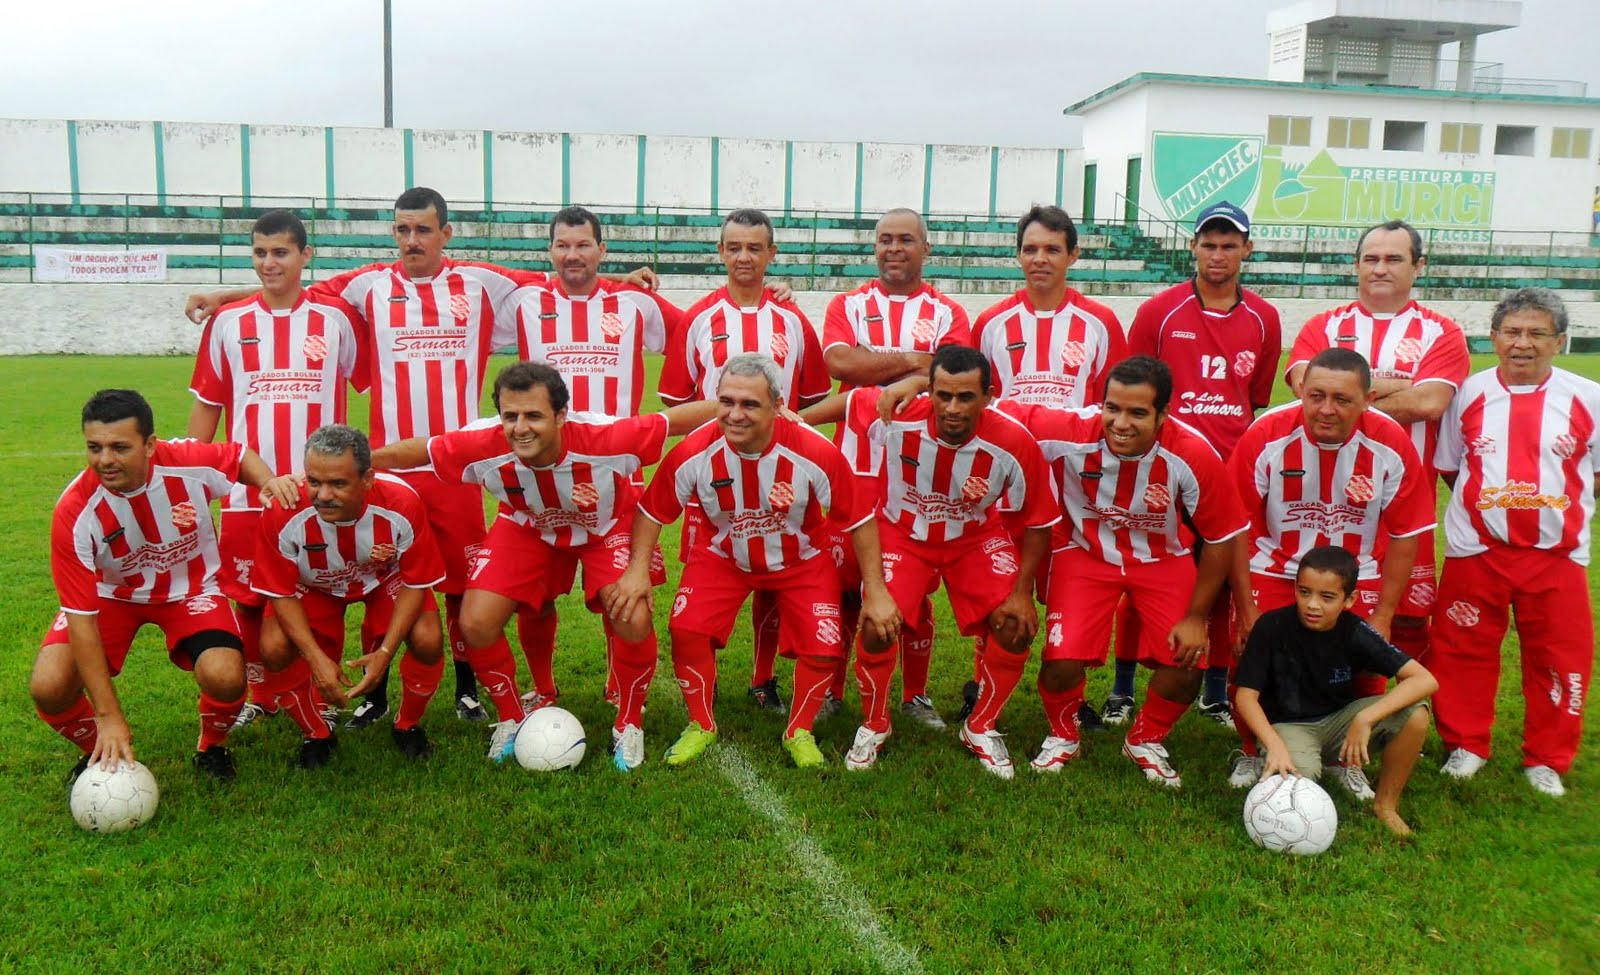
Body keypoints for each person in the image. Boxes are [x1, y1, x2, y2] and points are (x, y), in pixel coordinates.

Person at [186, 188, 654, 742]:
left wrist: (626, 282)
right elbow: (290, 283)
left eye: (424, 230)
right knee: (373, 572)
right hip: (383, 469)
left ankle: (465, 689)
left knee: (461, 584)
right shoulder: (367, 286)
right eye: (403, 230)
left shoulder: (483, 283)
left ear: (445, 234)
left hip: (456, 465)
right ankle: (372, 695)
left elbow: (569, 281)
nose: (413, 240)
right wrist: (228, 294)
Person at [372, 362, 718, 771]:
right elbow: (418, 450)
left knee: (631, 615)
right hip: (528, 524)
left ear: (560, 415)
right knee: (476, 621)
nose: (521, 428)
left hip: (605, 524)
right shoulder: (482, 443)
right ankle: (511, 716)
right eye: (510, 416)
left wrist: (752, 407)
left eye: (534, 415)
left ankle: (629, 721)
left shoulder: (606, 438)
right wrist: (356, 460)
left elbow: (676, 419)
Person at [608, 353, 901, 768]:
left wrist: (876, 589)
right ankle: (701, 724)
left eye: (750, 404)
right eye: (726, 402)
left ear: (778, 406)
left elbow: (859, 520)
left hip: (802, 558)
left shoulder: (815, 451)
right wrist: (637, 570)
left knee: (824, 647)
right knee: (686, 628)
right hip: (724, 556)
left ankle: (798, 730)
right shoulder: (695, 449)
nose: (735, 415)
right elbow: (652, 511)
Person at [30, 389, 298, 783]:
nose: (105, 460)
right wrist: (108, 715)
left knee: (225, 676)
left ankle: (211, 747)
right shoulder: (74, 511)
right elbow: (82, 619)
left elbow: (239, 457)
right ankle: (99, 753)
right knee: (49, 685)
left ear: (150, 445)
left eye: (119, 447)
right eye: (95, 447)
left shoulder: (187, 462)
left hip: (191, 591)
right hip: (113, 596)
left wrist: (269, 483)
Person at [1006, 356, 1250, 786]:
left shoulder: (1191, 452)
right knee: (1060, 662)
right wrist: (911, 385)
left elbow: (1223, 536)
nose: (1120, 423)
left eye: (1138, 413)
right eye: (1112, 408)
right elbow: (979, 407)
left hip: (1163, 559)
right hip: (1084, 553)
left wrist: (1196, 617)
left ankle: (1145, 738)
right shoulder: (1062, 431)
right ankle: (1064, 734)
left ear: (1162, 416)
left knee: (1187, 661)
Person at [835, 344, 1060, 778]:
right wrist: (792, 421)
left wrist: (1022, 593)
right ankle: (875, 722)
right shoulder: (897, 413)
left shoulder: (1014, 440)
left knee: (1015, 626)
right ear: (930, 392)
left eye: (965, 397)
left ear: (989, 396)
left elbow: (1038, 521)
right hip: (903, 534)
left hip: (973, 539)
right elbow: (846, 402)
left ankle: (981, 725)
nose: (952, 408)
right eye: (943, 396)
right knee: (877, 622)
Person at [498, 204, 687, 715]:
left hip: (615, 473)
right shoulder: (525, 303)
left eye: (584, 245)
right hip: (539, 474)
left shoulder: (634, 304)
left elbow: (700, 330)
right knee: (533, 597)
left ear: (603, 250)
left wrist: (771, 294)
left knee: (618, 594)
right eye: (563, 244)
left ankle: (616, 684)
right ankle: (542, 685)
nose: (573, 254)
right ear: (550, 251)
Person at [1227, 348, 1436, 796]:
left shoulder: (1391, 442)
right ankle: (1251, 749)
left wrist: (1383, 615)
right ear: (1301, 390)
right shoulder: (1265, 434)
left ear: (1369, 398)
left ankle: (1346, 757)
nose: (1326, 409)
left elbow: (1405, 534)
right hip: (1275, 565)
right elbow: (1238, 529)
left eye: (1342, 399)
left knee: (1365, 662)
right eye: (1316, 395)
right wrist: (1245, 607)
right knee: (1250, 655)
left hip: (1355, 569)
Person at [1105, 200, 1282, 730]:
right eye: (1209, 243)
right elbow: (1131, 383)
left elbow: (1253, 400)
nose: (1218, 254)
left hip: (1227, 472)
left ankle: (1214, 690)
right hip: (1160, 468)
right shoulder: (1160, 311)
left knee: (1226, 578)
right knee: (1141, 571)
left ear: (1247, 250)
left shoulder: (1264, 318)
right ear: (1192, 247)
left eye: (1230, 245)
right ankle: (1122, 688)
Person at [186, 209, 361, 734]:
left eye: (281, 252)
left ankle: (322, 690)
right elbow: (208, 410)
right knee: (248, 600)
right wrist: (189, 479)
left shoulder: (336, 321)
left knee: (323, 593)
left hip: (321, 491)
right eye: (260, 253)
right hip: (248, 493)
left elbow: (374, 383)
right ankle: (259, 694)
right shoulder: (228, 323)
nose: (269, 263)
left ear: (305, 256)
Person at [660, 208, 830, 719]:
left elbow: (813, 396)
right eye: (734, 247)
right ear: (720, 252)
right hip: (716, 479)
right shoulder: (697, 319)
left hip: (783, 476)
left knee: (777, 572)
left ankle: (763, 680)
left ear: (771, 254)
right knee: (709, 568)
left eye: (755, 248)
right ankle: (701, 682)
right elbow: (674, 400)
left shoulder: (793, 319)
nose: (743, 257)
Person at [1430, 288, 1600, 798]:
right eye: (1512, 332)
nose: (1522, 344)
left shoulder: (1589, 397)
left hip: (1556, 556)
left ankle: (1546, 758)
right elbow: (1451, 466)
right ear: (1494, 337)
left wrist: (1551, 512)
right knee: (1461, 648)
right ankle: (1466, 744)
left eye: (1536, 333)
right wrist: (1495, 511)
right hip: (1477, 551)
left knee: (1560, 656)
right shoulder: (1468, 393)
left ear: (1560, 341)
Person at [970, 204, 1127, 731]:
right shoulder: (991, 323)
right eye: (1031, 248)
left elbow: (1114, 404)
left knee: (1067, 587)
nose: (1040, 259)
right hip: (1009, 478)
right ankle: (981, 684)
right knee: (999, 579)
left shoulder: (1100, 322)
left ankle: (1071, 691)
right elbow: (977, 403)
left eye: (1052, 249)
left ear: (1073, 255)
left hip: (1076, 482)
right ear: (1018, 254)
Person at [1284, 220, 1469, 664]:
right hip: (1325, 497)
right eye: (1371, 258)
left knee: (1407, 613)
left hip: (1404, 498)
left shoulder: (1442, 332)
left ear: (1418, 266)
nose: (1380, 269)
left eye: (1393, 259)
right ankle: (1318, 704)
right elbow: (1302, 387)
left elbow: (1430, 401)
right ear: (1356, 265)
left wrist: (1348, 393)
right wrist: (1391, 387)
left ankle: (1403, 710)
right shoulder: (1324, 325)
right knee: (1321, 601)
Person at [822, 207, 974, 727]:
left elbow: (951, 373)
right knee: (842, 584)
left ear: (925, 249)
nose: (894, 248)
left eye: (906, 240)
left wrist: (884, 361)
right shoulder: (848, 304)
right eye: (885, 239)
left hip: (917, 472)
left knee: (911, 581)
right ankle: (831, 691)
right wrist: (916, 361)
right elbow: (841, 365)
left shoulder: (950, 312)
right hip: (854, 465)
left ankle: (914, 694)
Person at [251, 425, 446, 767]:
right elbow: (280, 592)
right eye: (314, 481)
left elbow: (416, 582)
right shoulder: (283, 509)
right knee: (273, 647)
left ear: (368, 479)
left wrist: (385, 652)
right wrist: (316, 659)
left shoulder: (402, 501)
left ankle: (407, 724)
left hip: (383, 578)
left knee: (427, 638)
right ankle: (316, 731)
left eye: (338, 483)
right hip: (314, 584)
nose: (323, 495)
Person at [1233, 545, 1438, 836]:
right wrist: (1274, 744)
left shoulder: (1356, 630)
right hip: (1289, 726)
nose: (1312, 604)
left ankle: (1385, 806)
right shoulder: (1271, 625)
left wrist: (1365, 718)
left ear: (1349, 599)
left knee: (1415, 714)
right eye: (1304, 592)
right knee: (1296, 793)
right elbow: (1246, 696)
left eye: (1327, 597)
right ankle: (1282, 761)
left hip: (1340, 721)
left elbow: (1424, 680)